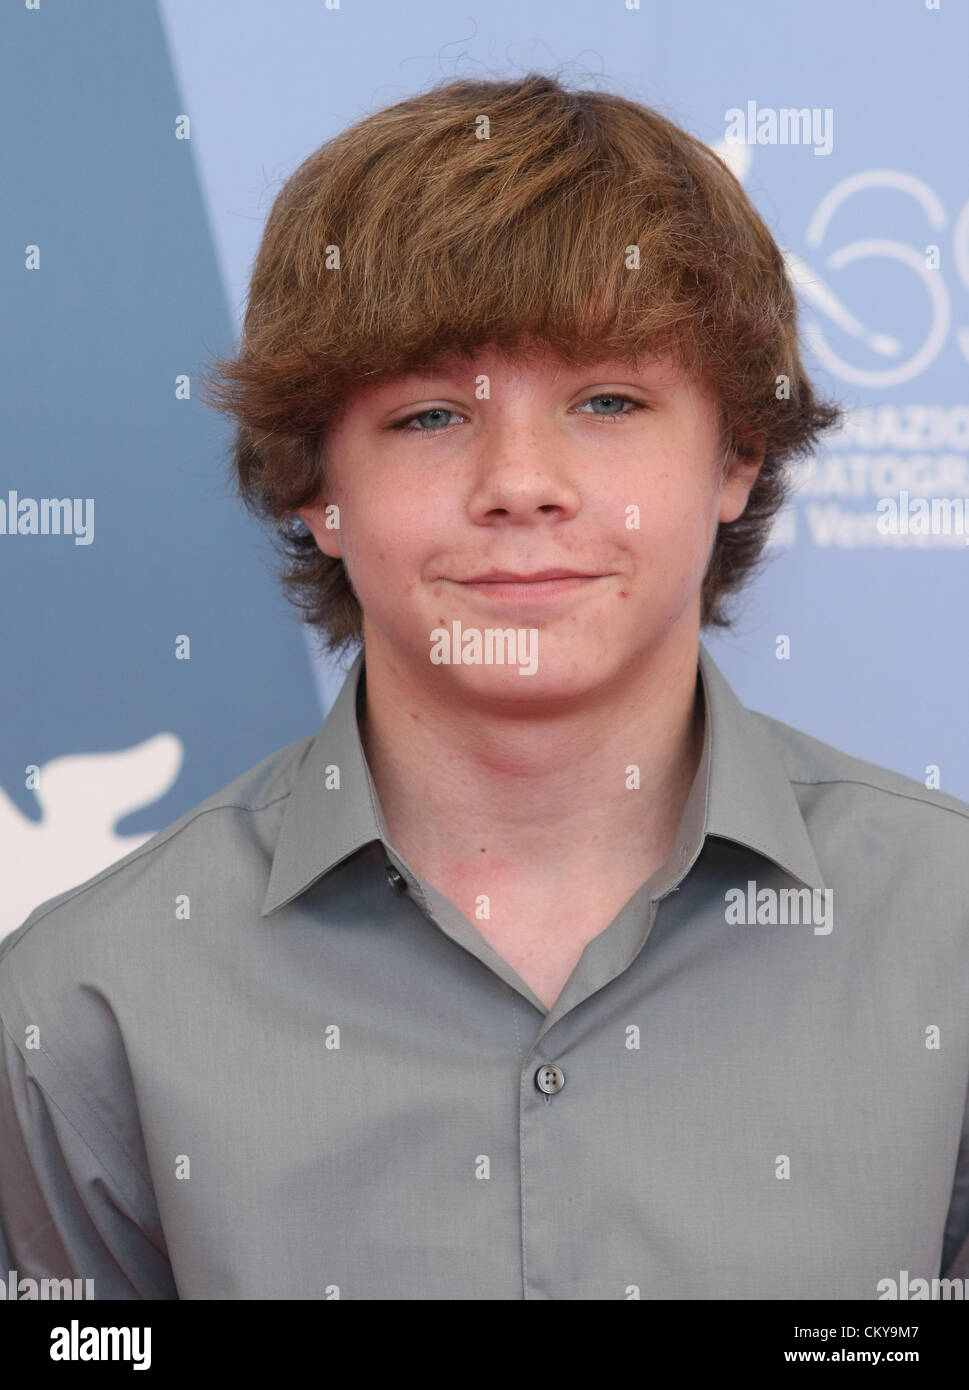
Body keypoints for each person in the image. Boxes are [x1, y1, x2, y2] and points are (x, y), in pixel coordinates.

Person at [1, 72, 967, 1302]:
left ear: (736, 457)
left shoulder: (949, 939)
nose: (522, 481)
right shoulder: (85, 1002)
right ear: (313, 483)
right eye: (428, 416)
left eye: (608, 401)